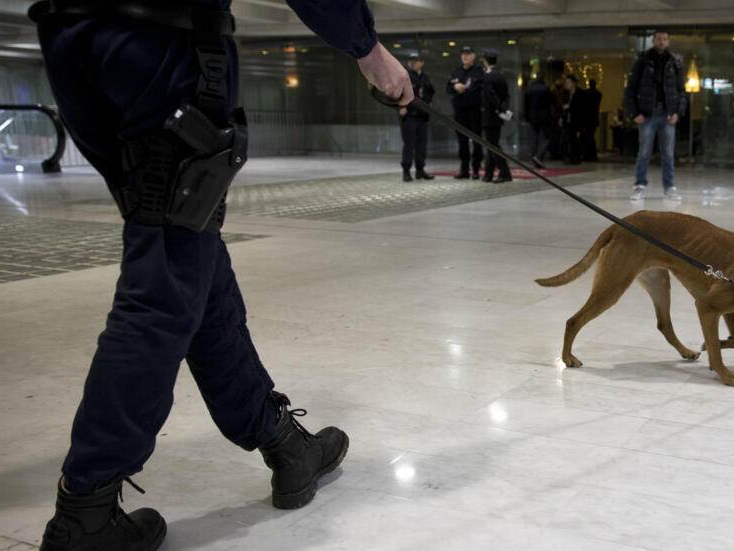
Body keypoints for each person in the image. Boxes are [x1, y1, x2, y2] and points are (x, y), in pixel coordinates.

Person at [27, 1, 412, 549]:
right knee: (164, 280)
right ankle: (84, 509)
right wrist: (366, 47)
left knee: (187, 253)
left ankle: (282, 442)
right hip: (163, 43)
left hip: (71, 34)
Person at [624, 30, 686, 201]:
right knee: (644, 151)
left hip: (668, 114)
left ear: (668, 41)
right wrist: (634, 112)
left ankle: (669, 186)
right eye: (659, 39)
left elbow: (681, 90)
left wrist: (678, 112)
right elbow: (630, 89)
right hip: (647, 113)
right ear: (653, 40)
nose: (661, 42)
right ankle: (639, 185)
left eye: (665, 39)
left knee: (668, 152)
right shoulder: (643, 60)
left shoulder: (674, 61)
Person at [447, 45, 485, 179]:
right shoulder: (456, 72)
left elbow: (480, 89)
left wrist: (466, 90)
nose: (465, 56)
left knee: (476, 141)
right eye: (463, 54)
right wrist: (455, 87)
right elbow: (448, 89)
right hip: (460, 112)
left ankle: (475, 169)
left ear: (473, 56)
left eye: (468, 54)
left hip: (475, 112)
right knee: (462, 142)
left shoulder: (479, 72)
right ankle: (464, 169)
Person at [399, 51, 435, 182]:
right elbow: (396, 94)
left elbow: (430, 92)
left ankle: (420, 170)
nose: (413, 63)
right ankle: (406, 171)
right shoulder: (405, 77)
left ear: (421, 62)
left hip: (422, 116)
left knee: (421, 145)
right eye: (411, 61)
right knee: (409, 144)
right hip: (409, 116)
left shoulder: (425, 77)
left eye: (416, 60)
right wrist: (400, 107)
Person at [480, 47, 512, 184]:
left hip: (489, 116)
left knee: (493, 146)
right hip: (498, 116)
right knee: (491, 144)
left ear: (485, 61)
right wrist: (503, 110)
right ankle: (488, 174)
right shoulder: (501, 75)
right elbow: (507, 96)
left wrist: (498, 108)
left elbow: (490, 96)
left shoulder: (488, 76)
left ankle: (505, 173)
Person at [523, 77, 554, 169]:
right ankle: (538, 156)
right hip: (544, 116)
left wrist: (526, 117)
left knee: (534, 138)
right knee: (547, 137)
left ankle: (534, 158)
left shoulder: (529, 89)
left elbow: (526, 105)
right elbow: (552, 100)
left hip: (533, 116)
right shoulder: (545, 89)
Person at [558, 74, 582, 164]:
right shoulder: (566, 95)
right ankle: (568, 157)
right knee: (565, 140)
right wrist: (561, 117)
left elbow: (581, 109)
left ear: (573, 83)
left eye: (568, 82)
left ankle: (574, 158)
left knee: (574, 140)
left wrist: (569, 106)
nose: (567, 84)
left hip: (575, 121)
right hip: (567, 121)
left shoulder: (579, 94)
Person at [580, 79, 602, 162]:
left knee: (589, 137)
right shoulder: (595, 94)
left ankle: (590, 155)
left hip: (591, 119)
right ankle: (589, 155)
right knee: (588, 137)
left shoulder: (594, 94)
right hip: (589, 119)